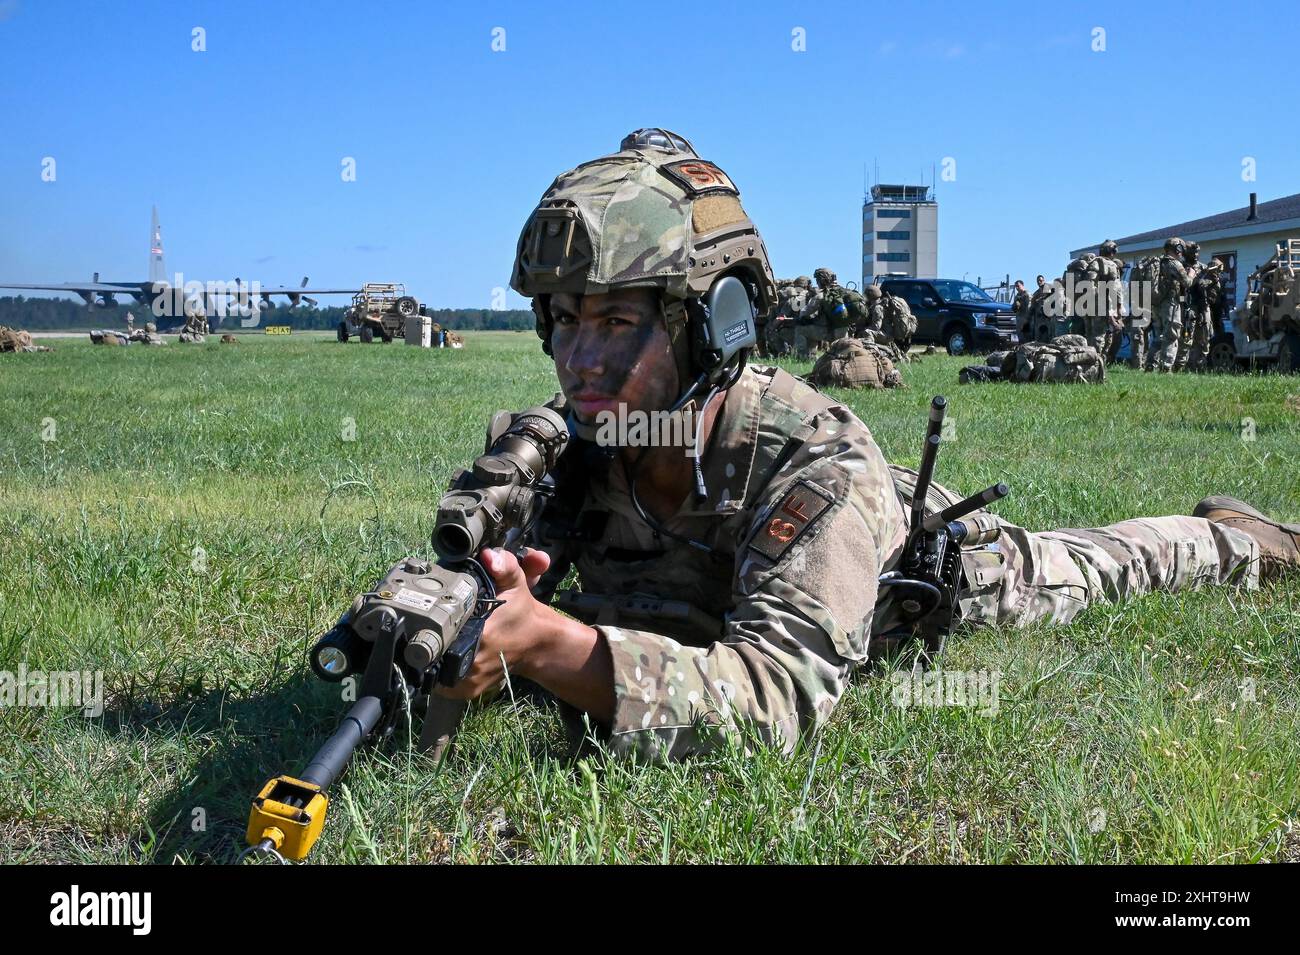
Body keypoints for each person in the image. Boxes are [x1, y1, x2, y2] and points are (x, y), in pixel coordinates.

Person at [433, 128, 1297, 762]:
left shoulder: (813, 456)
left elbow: (776, 698)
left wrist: (551, 646)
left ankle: (1237, 535)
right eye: (564, 321)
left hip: (945, 569)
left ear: (712, 329)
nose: (581, 360)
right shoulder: (567, 444)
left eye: (618, 322)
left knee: (1116, 560)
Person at [1148, 238, 1190, 373]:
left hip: (1156, 303)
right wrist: (1192, 274)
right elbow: (1187, 282)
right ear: (1178, 249)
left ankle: (1150, 365)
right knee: (1171, 335)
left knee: (1159, 336)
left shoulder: (1158, 262)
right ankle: (1166, 368)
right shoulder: (1174, 264)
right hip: (1170, 304)